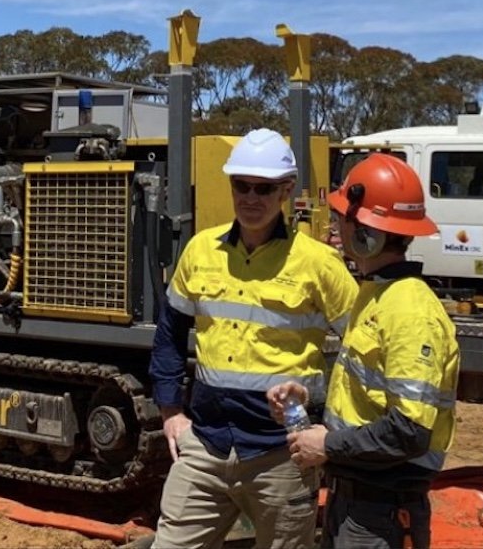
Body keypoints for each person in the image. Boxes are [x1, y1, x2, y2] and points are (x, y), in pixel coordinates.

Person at [150, 129, 359, 549]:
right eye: (241, 186)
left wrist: (330, 433)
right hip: (206, 448)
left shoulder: (320, 265)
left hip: (281, 456)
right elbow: (170, 333)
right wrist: (171, 410)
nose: (250, 197)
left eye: (263, 188)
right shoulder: (200, 251)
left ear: (285, 190)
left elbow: (363, 352)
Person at [266, 153, 460, 549]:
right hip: (355, 501)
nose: (335, 228)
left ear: (368, 234)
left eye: (342, 219)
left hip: (381, 513)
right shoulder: (375, 295)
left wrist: (326, 444)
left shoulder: (410, 311)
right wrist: (311, 399)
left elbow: (410, 431)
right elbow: (367, 396)